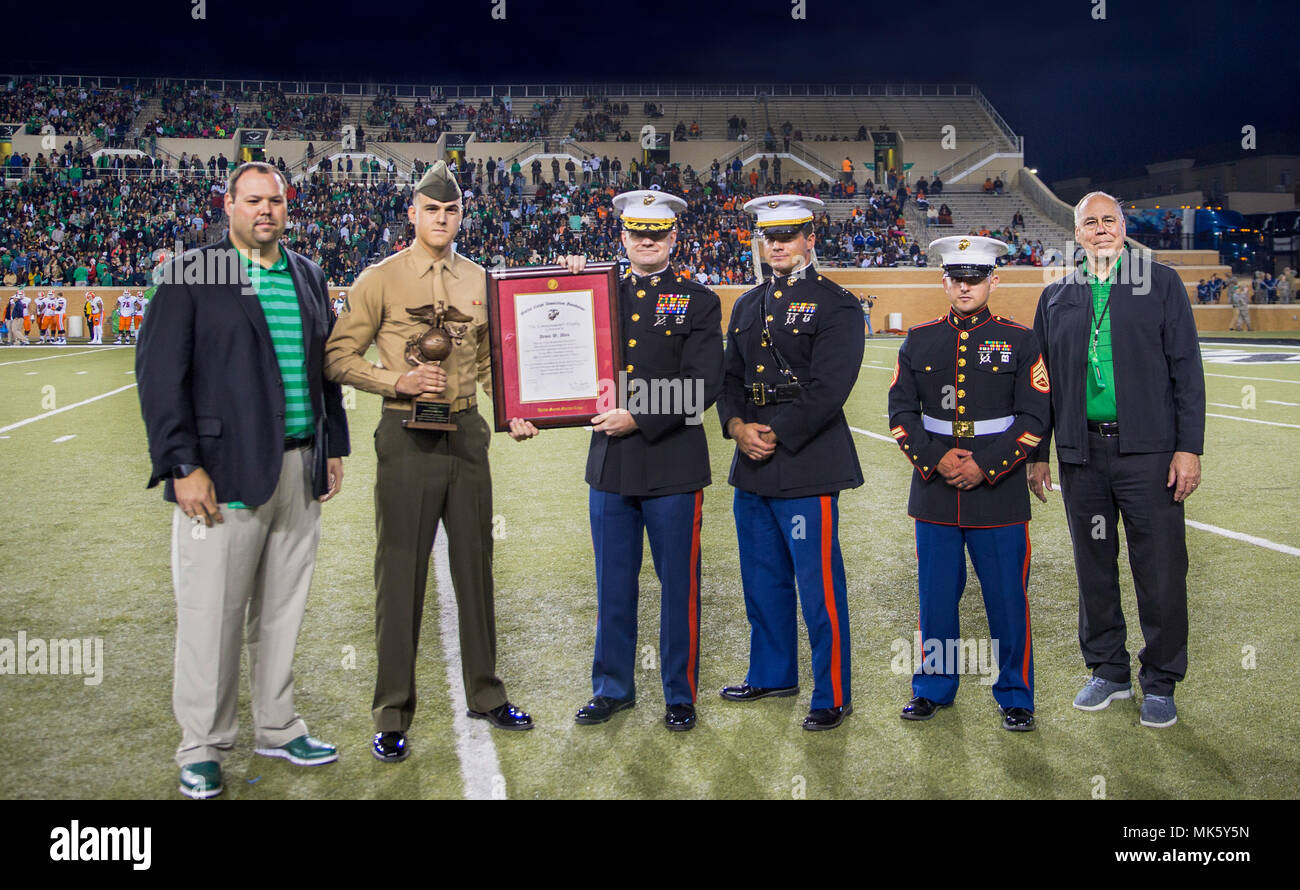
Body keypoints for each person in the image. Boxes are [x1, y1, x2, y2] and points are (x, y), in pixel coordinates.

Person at [325, 161, 556, 763]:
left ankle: (485, 691)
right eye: (432, 209)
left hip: (466, 433)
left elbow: (488, 362)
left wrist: (513, 410)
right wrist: (395, 380)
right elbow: (338, 358)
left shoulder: (481, 280)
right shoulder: (378, 279)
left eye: (451, 210)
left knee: (476, 567)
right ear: (413, 213)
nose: (442, 218)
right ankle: (392, 711)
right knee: (399, 574)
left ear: (461, 216)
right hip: (405, 435)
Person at [136, 161, 350, 799]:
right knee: (212, 614)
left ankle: (278, 725)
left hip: (298, 464)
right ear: (227, 204)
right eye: (253, 200)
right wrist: (181, 464)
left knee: (283, 608)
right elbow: (158, 376)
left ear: (288, 207)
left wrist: (331, 445)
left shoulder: (308, 276)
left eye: (276, 201)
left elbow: (324, 370)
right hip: (221, 472)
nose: (266, 211)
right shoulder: (192, 273)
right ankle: (201, 744)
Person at [1028, 191, 1205, 729]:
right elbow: (1041, 387)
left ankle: (1160, 679)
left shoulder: (1161, 283)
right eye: (1090, 222)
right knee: (1094, 568)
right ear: (1077, 231)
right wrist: (1038, 454)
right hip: (1081, 454)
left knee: (1161, 569)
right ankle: (1108, 669)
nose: (1100, 228)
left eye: (1109, 220)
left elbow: (1187, 372)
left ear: (1123, 227)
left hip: (1148, 453)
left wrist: (1188, 448)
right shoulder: (1057, 294)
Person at [570, 190, 723, 733]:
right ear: (623, 236)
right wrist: (563, 281)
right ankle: (612, 688)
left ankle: (679, 694)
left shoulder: (699, 300)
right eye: (637, 232)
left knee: (678, 586)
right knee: (613, 583)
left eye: (657, 233)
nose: (646, 241)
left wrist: (638, 415)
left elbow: (704, 384)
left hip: (673, 465)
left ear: (674, 238)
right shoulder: (599, 291)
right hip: (611, 465)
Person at [888, 236, 1050, 731]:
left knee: (1006, 598)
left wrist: (985, 465)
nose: (964, 286)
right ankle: (933, 687)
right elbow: (900, 413)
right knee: (935, 598)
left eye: (974, 278)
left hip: (997, 491)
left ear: (993, 281)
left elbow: (1035, 415)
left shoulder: (1021, 340)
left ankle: (1016, 694)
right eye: (955, 278)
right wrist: (936, 460)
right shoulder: (919, 338)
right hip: (934, 489)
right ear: (943, 281)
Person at [716, 194, 864, 731]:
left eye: (788, 235)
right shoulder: (747, 304)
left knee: (819, 586)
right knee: (762, 580)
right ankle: (774, 673)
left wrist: (771, 433)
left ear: (809, 240)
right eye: (769, 237)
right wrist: (736, 428)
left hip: (806, 461)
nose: (777, 245)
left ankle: (832, 693)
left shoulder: (838, 304)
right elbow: (729, 381)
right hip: (751, 462)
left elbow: (829, 390)